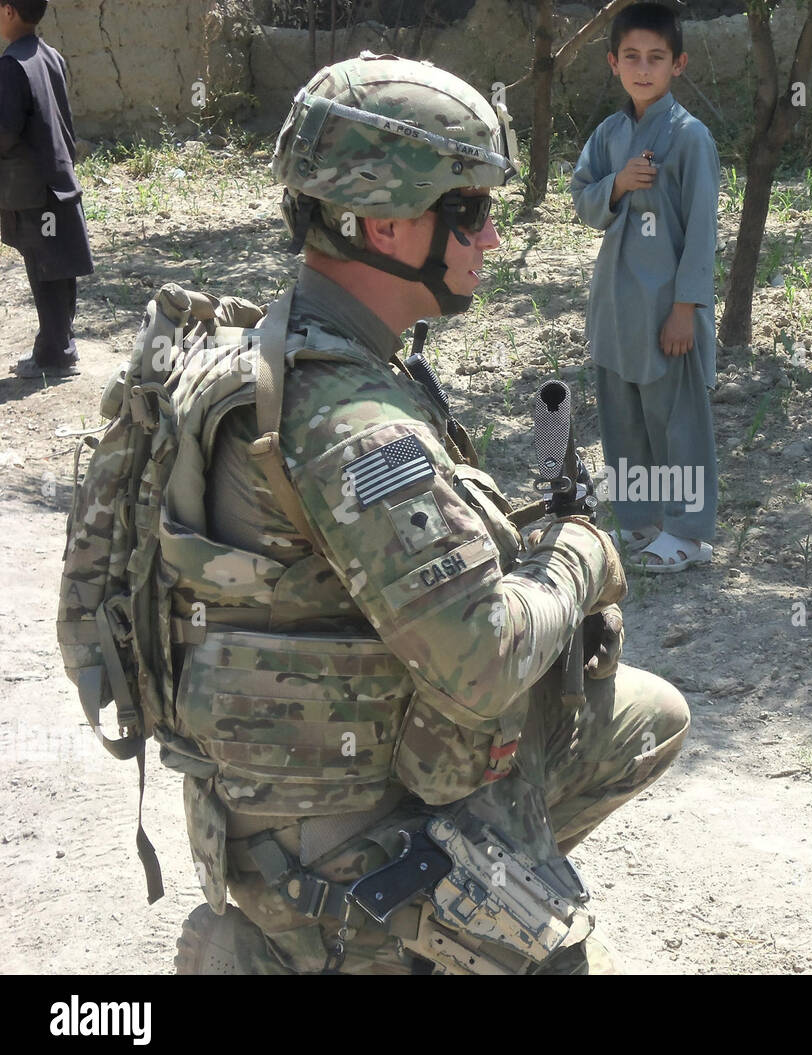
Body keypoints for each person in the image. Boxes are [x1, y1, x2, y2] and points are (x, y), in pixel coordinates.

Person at [165, 54, 689, 975]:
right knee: (563, 958)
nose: (489, 238)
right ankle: (317, 949)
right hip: (347, 843)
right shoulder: (349, 420)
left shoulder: (294, 349)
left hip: (287, 787)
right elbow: (480, 658)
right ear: (385, 223)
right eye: (471, 211)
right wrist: (578, 559)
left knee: (641, 713)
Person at [571, 2, 719, 573]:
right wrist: (617, 183)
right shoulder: (609, 135)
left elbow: (703, 230)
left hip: (666, 308)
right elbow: (584, 201)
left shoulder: (689, 137)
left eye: (656, 57)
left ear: (677, 64)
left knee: (676, 418)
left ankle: (686, 532)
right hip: (615, 305)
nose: (643, 67)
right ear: (613, 62)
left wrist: (687, 308)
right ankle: (642, 520)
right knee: (624, 415)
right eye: (630, 56)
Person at [0, 0, 92, 379]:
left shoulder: (10, 65)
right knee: (57, 264)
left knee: (44, 266)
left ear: (8, 11)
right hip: (57, 180)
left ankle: (56, 354)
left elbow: (5, 133)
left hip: (31, 188)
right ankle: (57, 345)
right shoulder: (51, 56)